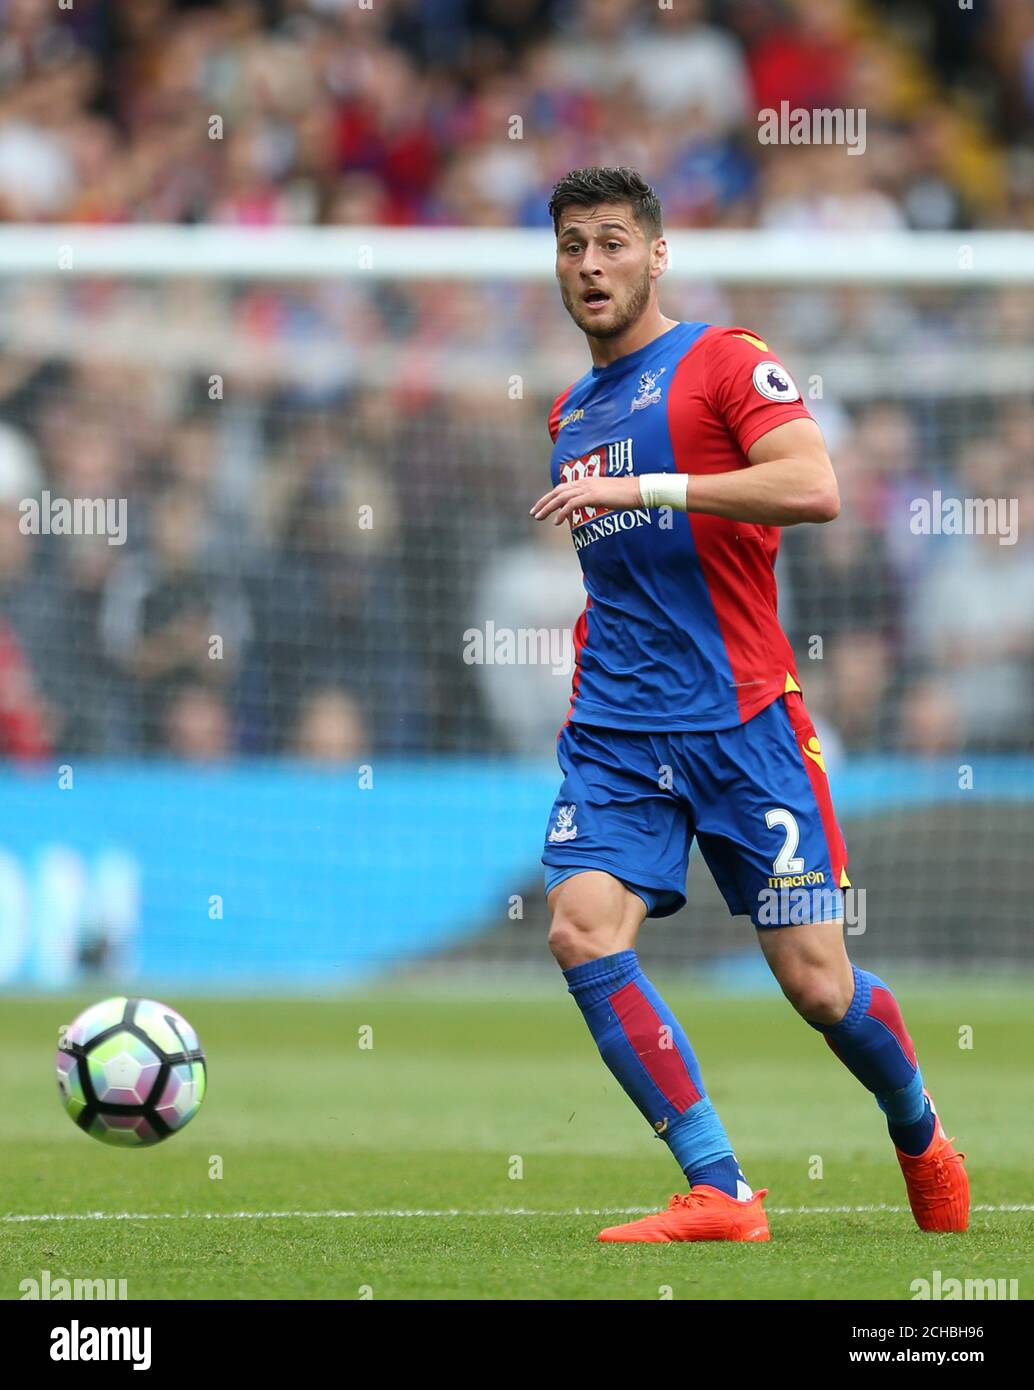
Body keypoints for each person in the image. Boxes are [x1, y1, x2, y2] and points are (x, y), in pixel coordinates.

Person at [530, 165, 968, 1244]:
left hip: (742, 721)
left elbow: (811, 485)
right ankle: (718, 1188)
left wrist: (646, 487)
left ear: (656, 253)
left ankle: (917, 1128)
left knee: (817, 986)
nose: (591, 265)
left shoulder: (724, 361)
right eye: (572, 246)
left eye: (612, 243)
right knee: (581, 932)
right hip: (618, 732)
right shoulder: (571, 410)